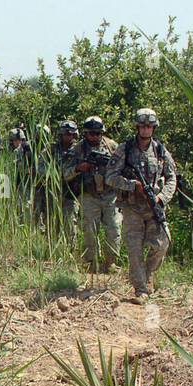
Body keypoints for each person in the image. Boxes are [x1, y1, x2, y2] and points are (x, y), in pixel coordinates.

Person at [106, 108, 176, 302]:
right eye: (143, 126)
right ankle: (141, 289)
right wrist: (131, 186)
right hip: (132, 207)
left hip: (154, 206)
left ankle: (148, 274)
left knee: (162, 243)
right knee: (134, 248)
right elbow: (110, 177)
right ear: (137, 127)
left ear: (154, 128)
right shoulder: (125, 149)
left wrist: (162, 198)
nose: (146, 129)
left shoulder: (160, 150)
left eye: (149, 126)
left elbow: (172, 178)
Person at [65, 116, 120, 272]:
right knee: (89, 230)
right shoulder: (77, 150)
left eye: (97, 133)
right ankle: (91, 262)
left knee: (114, 229)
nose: (94, 136)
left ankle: (110, 262)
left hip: (110, 195)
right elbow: (65, 173)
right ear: (85, 133)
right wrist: (78, 168)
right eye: (91, 133)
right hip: (88, 195)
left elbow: (122, 168)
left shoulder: (112, 146)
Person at [52, 120, 80, 231]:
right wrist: (57, 173)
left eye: (71, 134)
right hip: (53, 193)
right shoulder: (52, 149)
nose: (69, 137)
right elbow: (40, 168)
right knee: (52, 225)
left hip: (72, 194)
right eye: (66, 134)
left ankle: (70, 248)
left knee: (70, 226)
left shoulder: (79, 149)